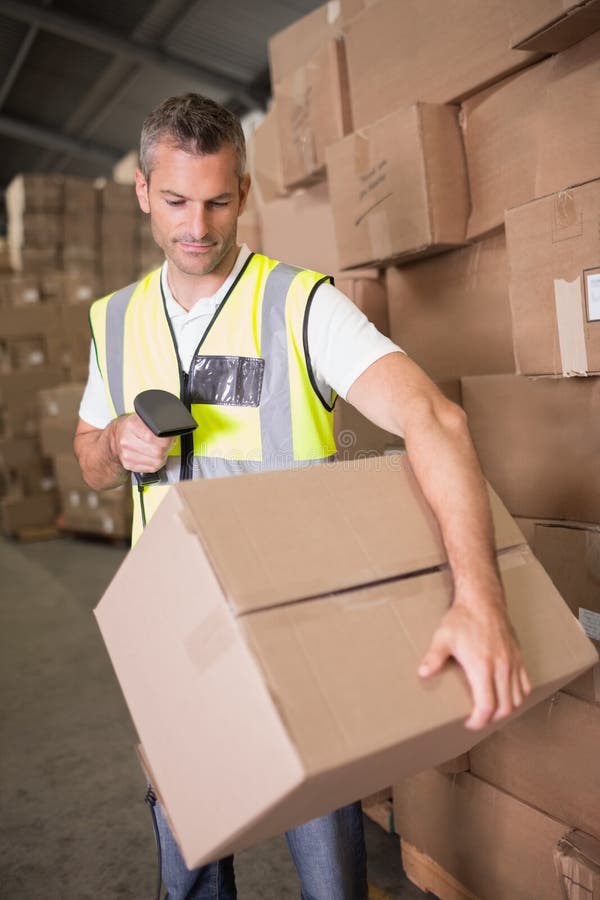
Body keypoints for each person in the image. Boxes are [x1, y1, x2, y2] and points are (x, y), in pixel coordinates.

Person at [74, 93, 530, 900]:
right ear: (143, 190)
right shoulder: (114, 322)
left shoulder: (302, 305)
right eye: (176, 201)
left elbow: (435, 418)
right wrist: (113, 442)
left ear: (244, 192)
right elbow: (89, 462)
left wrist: (479, 597)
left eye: (218, 200)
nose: (198, 225)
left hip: (295, 642)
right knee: (189, 880)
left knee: (330, 883)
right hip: (177, 647)